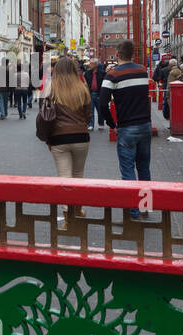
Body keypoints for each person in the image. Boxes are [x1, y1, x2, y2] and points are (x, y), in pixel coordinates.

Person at [100, 40, 152, 220]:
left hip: (126, 126)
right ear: (132, 54)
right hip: (145, 125)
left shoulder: (112, 75)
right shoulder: (142, 71)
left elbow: (102, 103)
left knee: (128, 171)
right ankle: (145, 207)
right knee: (144, 169)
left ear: (118, 54)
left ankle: (134, 211)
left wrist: (111, 124)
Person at [40, 55, 92, 229]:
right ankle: (78, 210)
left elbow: (44, 118)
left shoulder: (50, 87)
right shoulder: (82, 87)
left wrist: (47, 138)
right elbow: (88, 116)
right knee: (78, 176)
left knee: (65, 179)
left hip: (59, 138)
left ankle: (68, 218)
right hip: (81, 137)